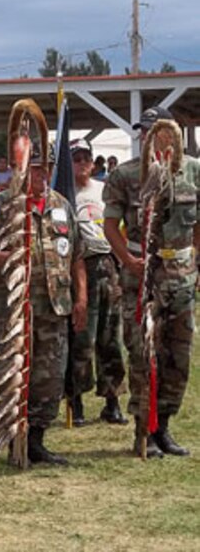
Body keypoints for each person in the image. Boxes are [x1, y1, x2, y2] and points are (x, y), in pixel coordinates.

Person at [103, 106, 200, 458]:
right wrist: (127, 259)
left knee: (178, 355)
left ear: (170, 134)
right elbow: (110, 225)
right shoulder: (126, 175)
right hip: (141, 277)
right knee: (144, 353)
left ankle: (166, 428)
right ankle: (144, 429)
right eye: (143, 132)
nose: (148, 137)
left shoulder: (193, 170)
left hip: (182, 277)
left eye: (155, 131)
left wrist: (194, 262)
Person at [0, 144, 86, 466]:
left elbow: (77, 255)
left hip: (54, 307)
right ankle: (14, 440)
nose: (42, 174)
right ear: (21, 168)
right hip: (14, 309)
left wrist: (81, 298)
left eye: (47, 168)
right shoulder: (1, 205)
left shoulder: (61, 205)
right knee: (15, 376)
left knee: (49, 378)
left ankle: (37, 440)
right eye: (36, 167)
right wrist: (13, 258)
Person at [68, 138, 126, 426]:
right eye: (76, 159)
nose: (82, 164)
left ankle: (112, 400)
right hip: (81, 266)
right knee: (81, 337)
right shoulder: (64, 193)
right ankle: (75, 399)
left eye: (85, 159)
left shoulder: (105, 191)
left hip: (108, 263)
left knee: (110, 336)